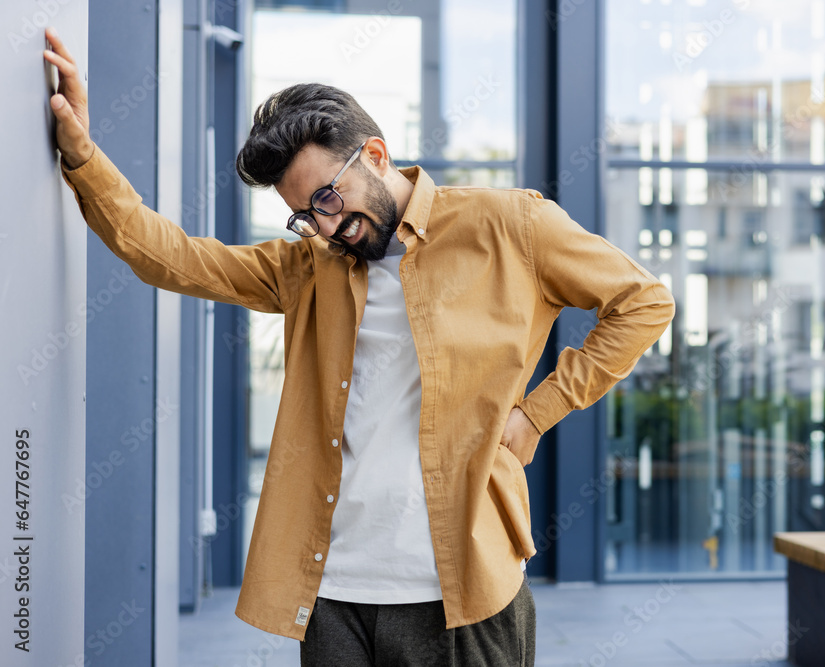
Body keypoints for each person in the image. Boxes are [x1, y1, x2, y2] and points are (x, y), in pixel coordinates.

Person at [44, 26, 674, 667]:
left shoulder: (511, 225)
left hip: (463, 590)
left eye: (326, 197)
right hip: (333, 594)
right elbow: (172, 258)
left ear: (374, 153)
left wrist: (537, 412)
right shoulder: (309, 265)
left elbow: (643, 302)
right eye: (304, 214)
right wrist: (83, 156)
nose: (323, 224)